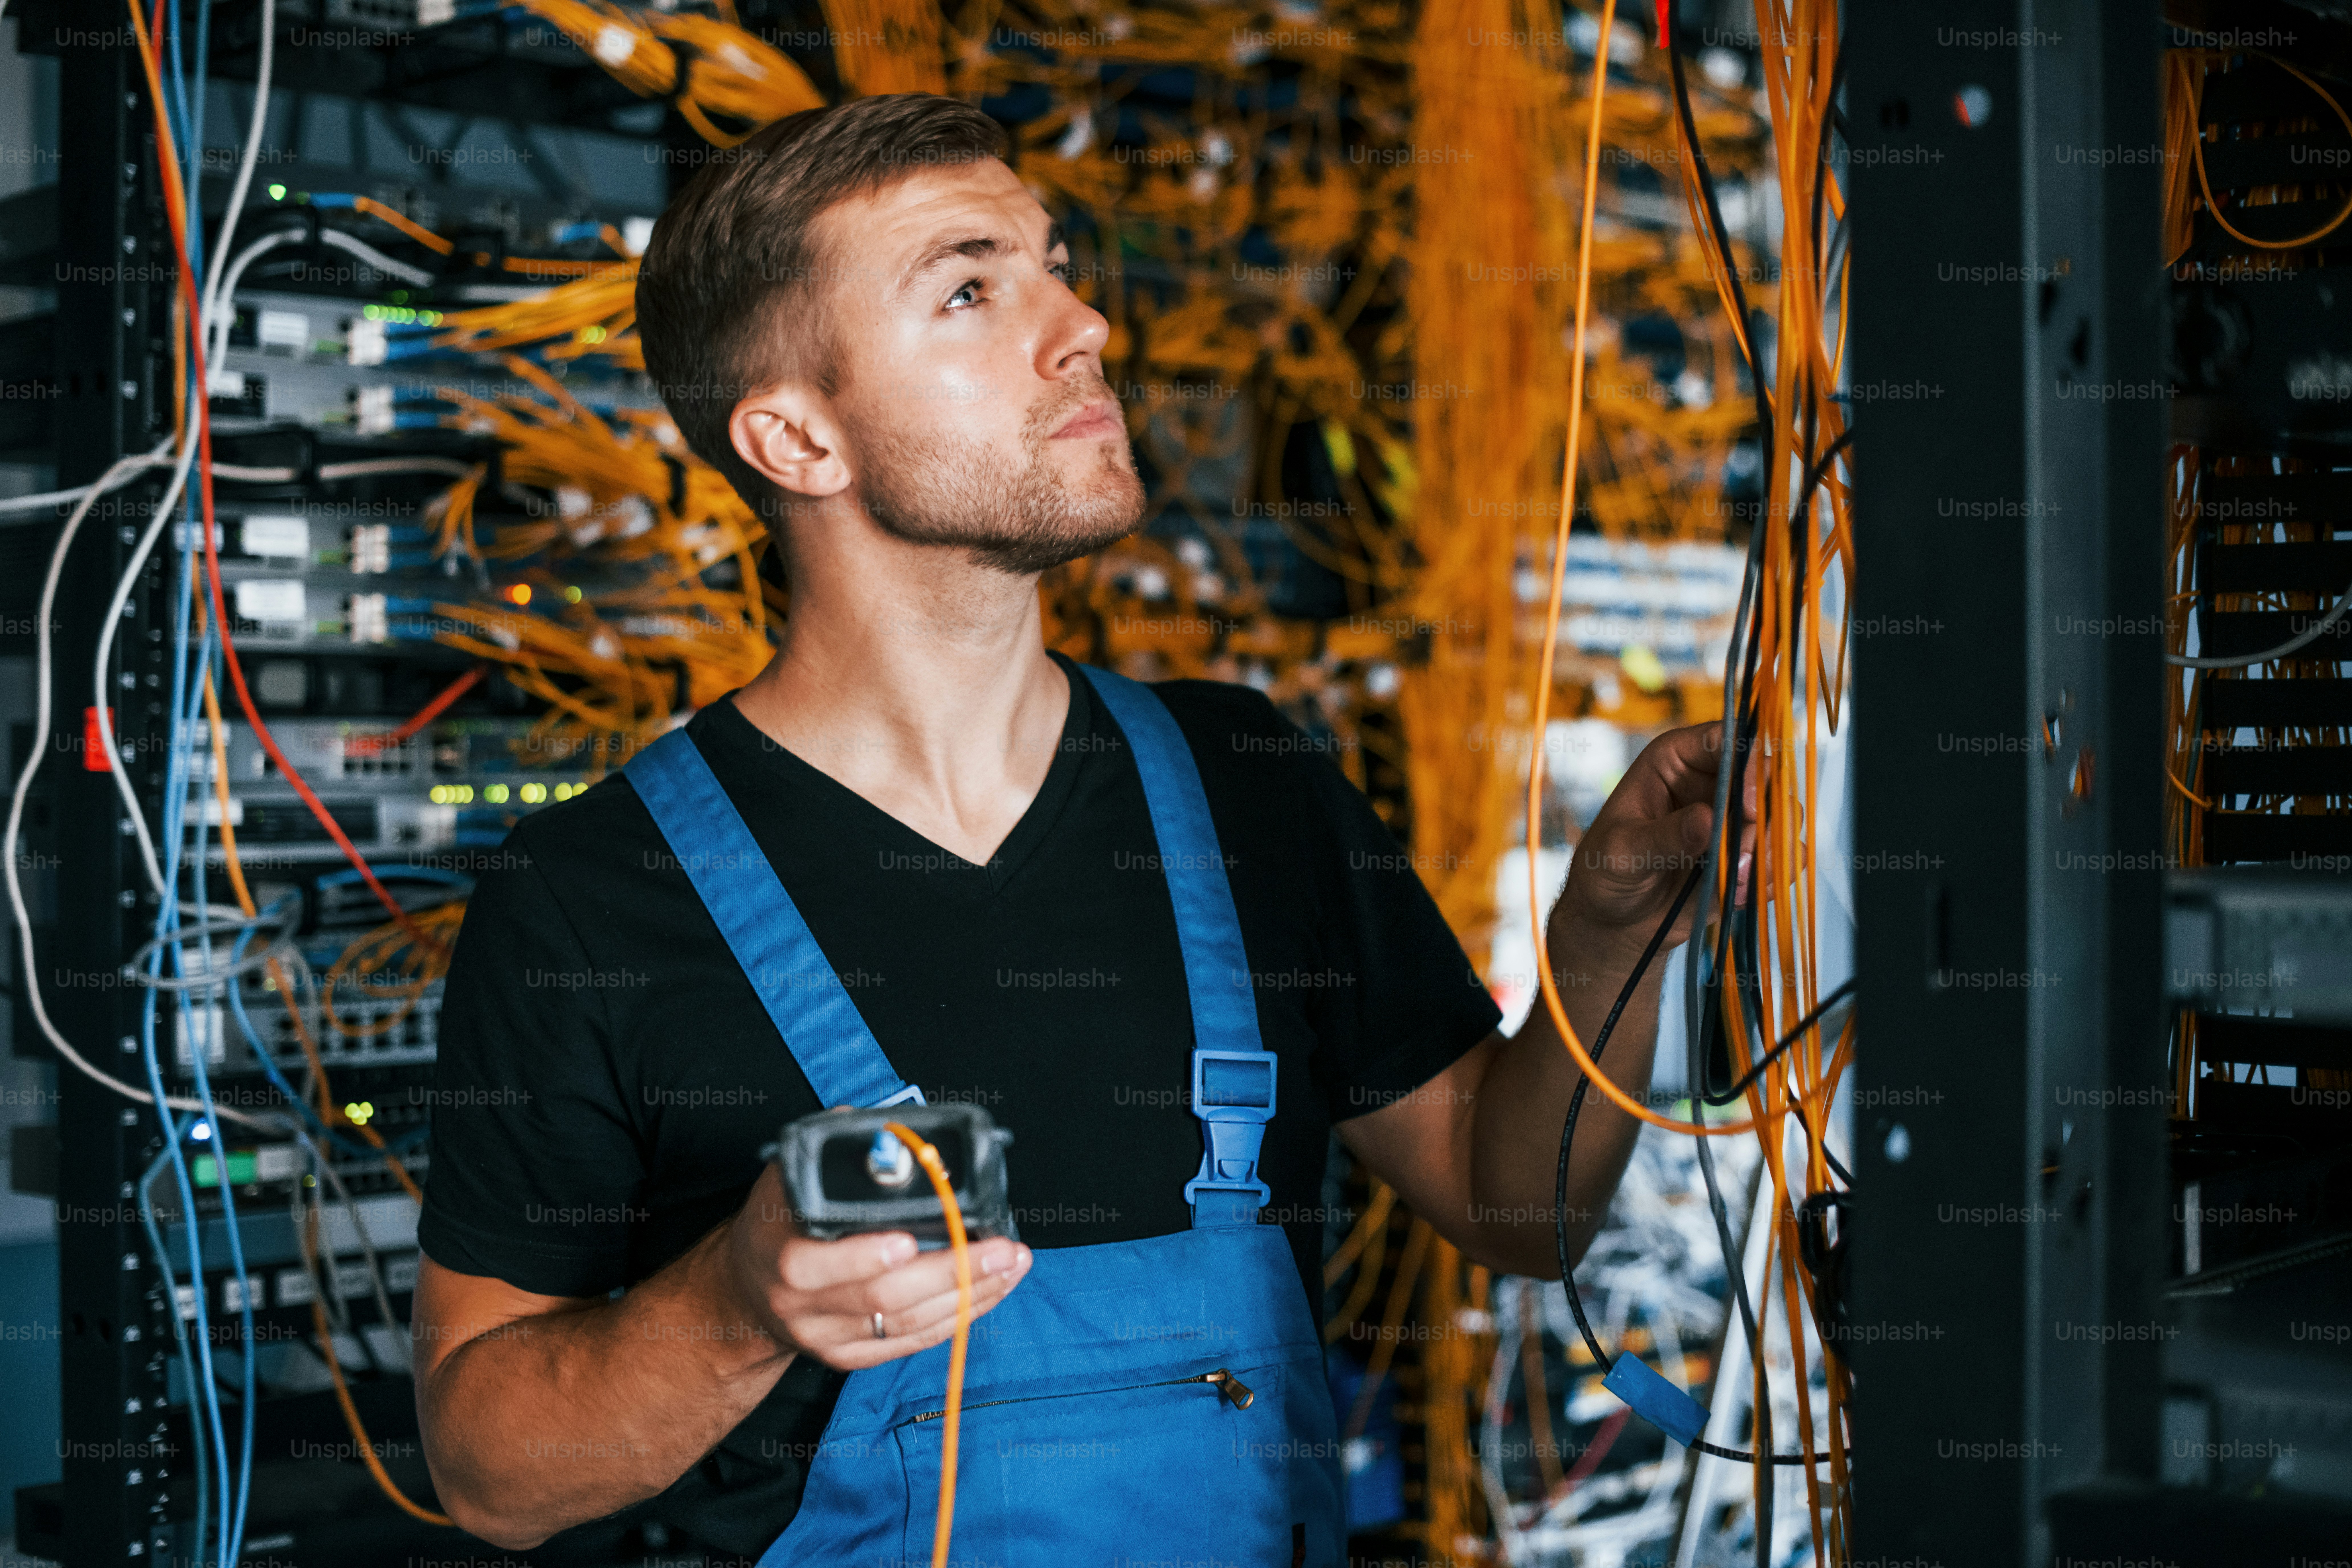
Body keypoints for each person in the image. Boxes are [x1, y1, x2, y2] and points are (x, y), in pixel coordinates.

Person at [411, 91, 1739, 1565]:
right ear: (795, 438)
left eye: (1055, 264)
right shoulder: (593, 898)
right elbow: (490, 1474)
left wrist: (1613, 927)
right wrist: (739, 1306)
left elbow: (1520, 1211)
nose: (1084, 323)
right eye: (971, 290)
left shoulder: (1248, 779)